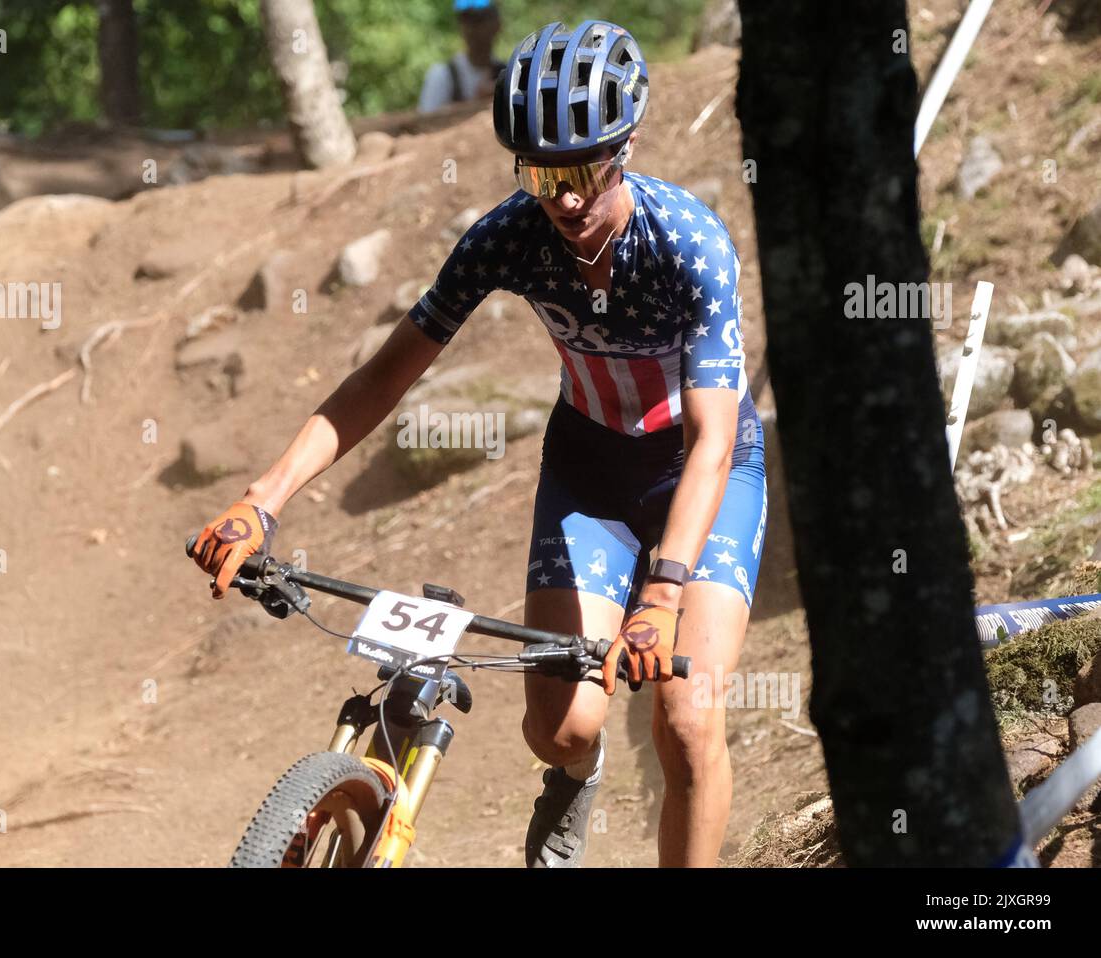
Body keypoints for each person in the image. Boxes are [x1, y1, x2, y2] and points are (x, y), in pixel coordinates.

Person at [189, 19, 767, 869]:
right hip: (591, 469)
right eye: (541, 175)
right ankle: (580, 775)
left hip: (702, 470)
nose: (562, 200)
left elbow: (714, 439)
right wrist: (260, 501)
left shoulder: (688, 245)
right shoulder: (510, 235)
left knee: (685, 719)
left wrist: (667, 591)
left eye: (581, 174)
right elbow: (383, 379)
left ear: (628, 148)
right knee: (560, 730)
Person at [417, 0, 504, 113]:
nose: (472, 29)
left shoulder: (510, 74)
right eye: (466, 20)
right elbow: (424, 124)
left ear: (497, 24)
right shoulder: (442, 75)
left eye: (479, 20)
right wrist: (478, 104)